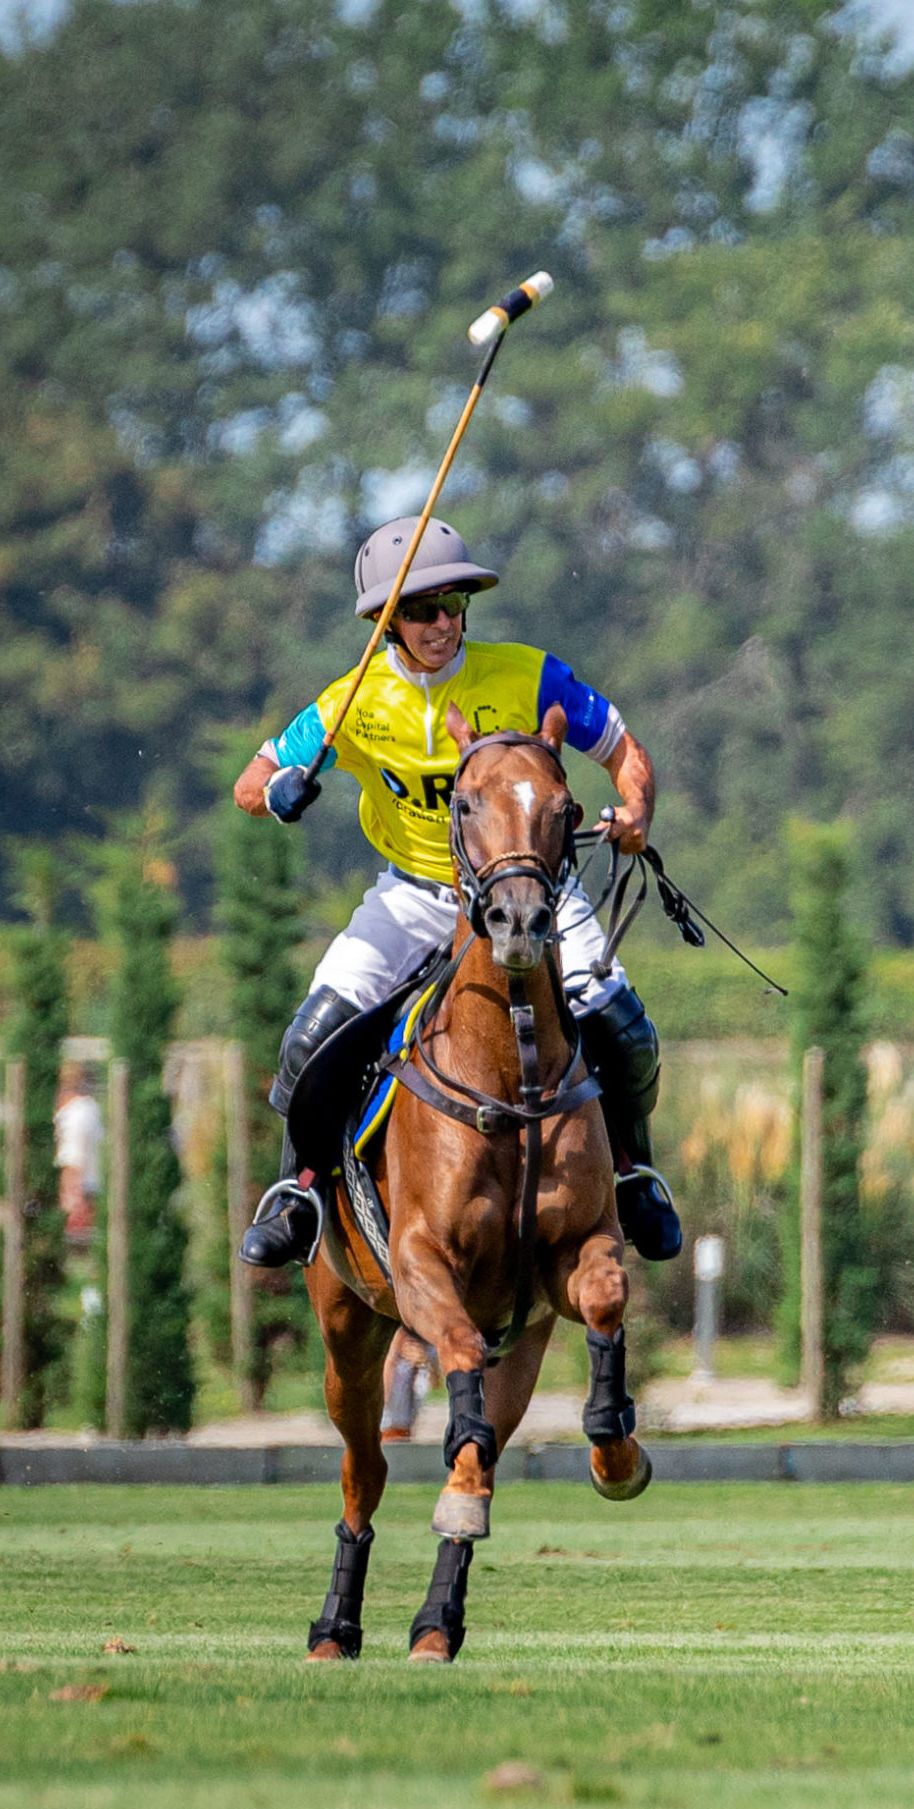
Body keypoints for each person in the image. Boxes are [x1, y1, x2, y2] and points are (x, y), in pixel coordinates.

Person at [228, 515, 681, 1268]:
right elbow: (251, 779)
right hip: (416, 895)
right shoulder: (353, 701)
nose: (441, 624)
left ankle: (633, 1172)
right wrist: (280, 791)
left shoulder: (529, 673)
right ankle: (300, 1190)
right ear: (385, 619)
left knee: (624, 1028)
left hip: (530, 887)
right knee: (309, 1037)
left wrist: (635, 813)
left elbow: (624, 752)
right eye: (419, 609)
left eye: (453, 605)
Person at [54, 1060, 102, 1247]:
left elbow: (73, 1161)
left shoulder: (74, 1115)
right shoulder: (89, 1109)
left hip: (80, 1193)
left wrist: (73, 1203)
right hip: (91, 1188)